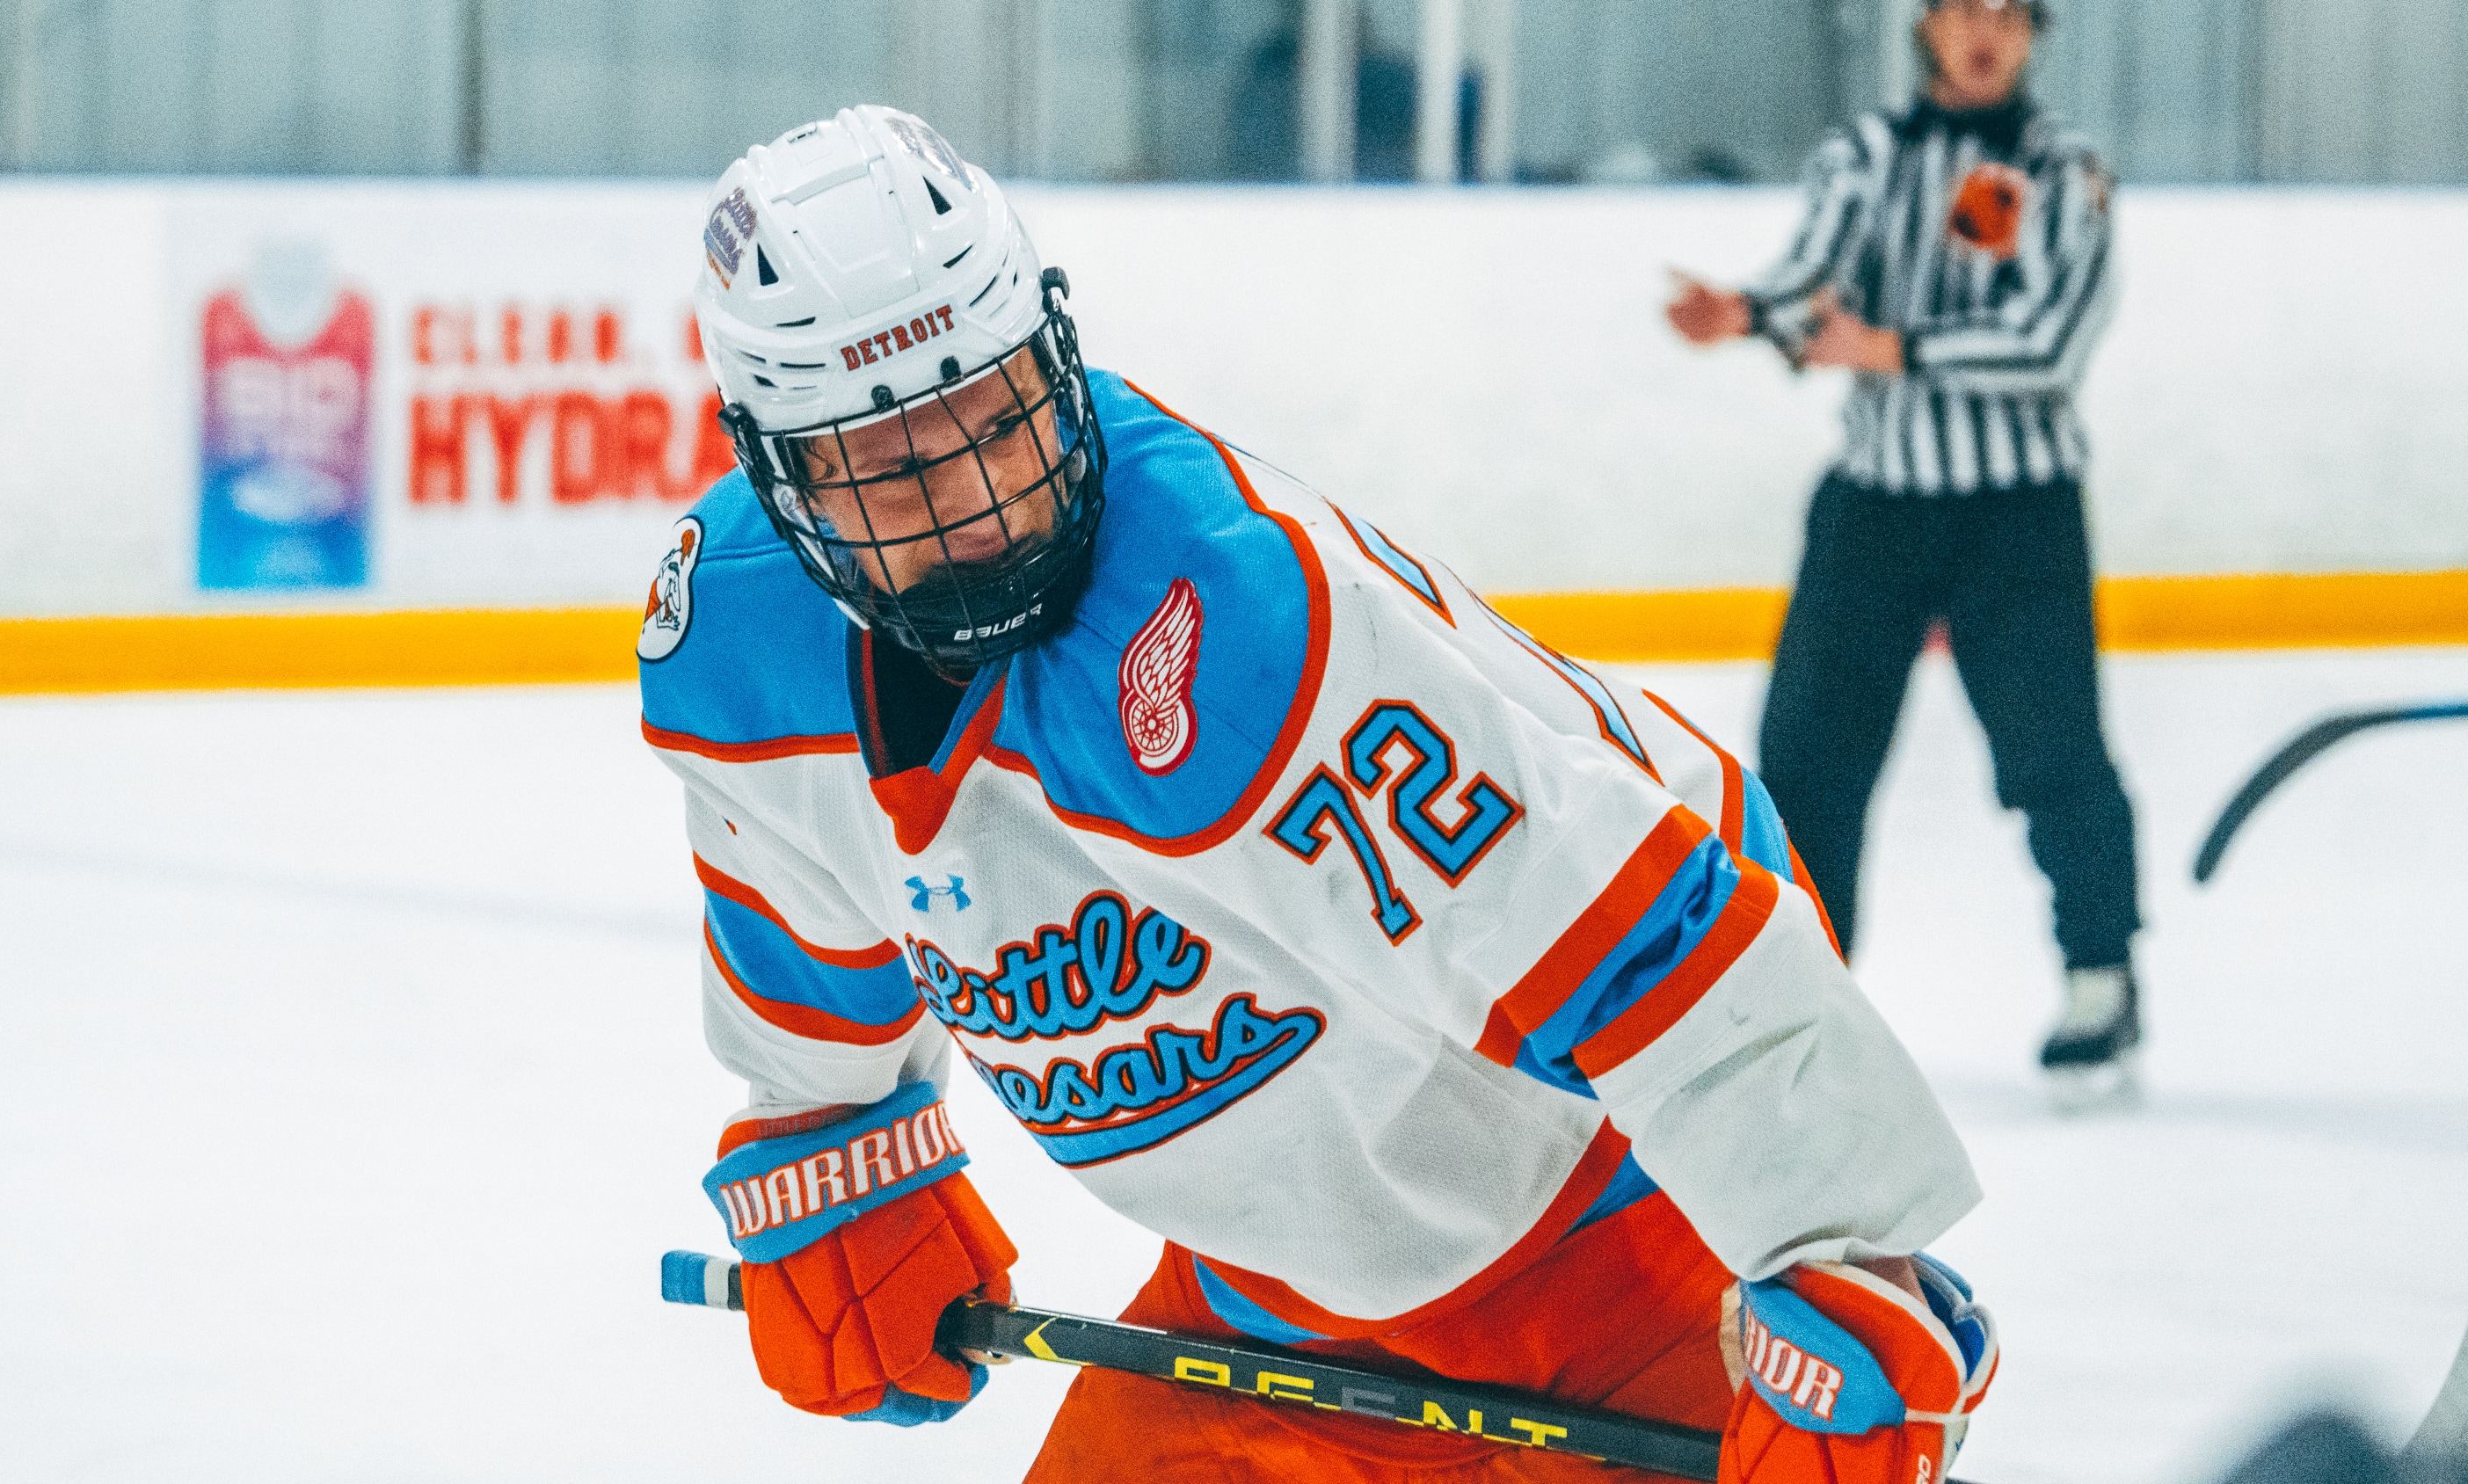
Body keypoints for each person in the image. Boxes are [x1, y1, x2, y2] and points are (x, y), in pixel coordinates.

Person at [647, 105, 1996, 1483]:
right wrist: (832, 1138)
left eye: (998, 416)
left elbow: (1621, 915)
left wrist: (1842, 1254)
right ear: (783, 469)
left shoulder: (1234, 628)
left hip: (1625, 1231)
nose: (984, 494)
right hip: (1269, 1318)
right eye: (895, 462)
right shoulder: (743, 652)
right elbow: (797, 912)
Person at [1664, 0, 2142, 1095]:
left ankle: (2101, 973)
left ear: (2033, 34)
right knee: (1809, 759)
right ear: (1927, 25)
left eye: (2008, 15)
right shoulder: (1864, 156)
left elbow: (2050, 342)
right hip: (1874, 508)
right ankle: (1803, 999)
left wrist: (1890, 345)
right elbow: (1812, 280)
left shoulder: (2064, 171)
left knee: (2054, 752)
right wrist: (1742, 313)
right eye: (1965, 9)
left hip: (2017, 512)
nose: (1985, 32)